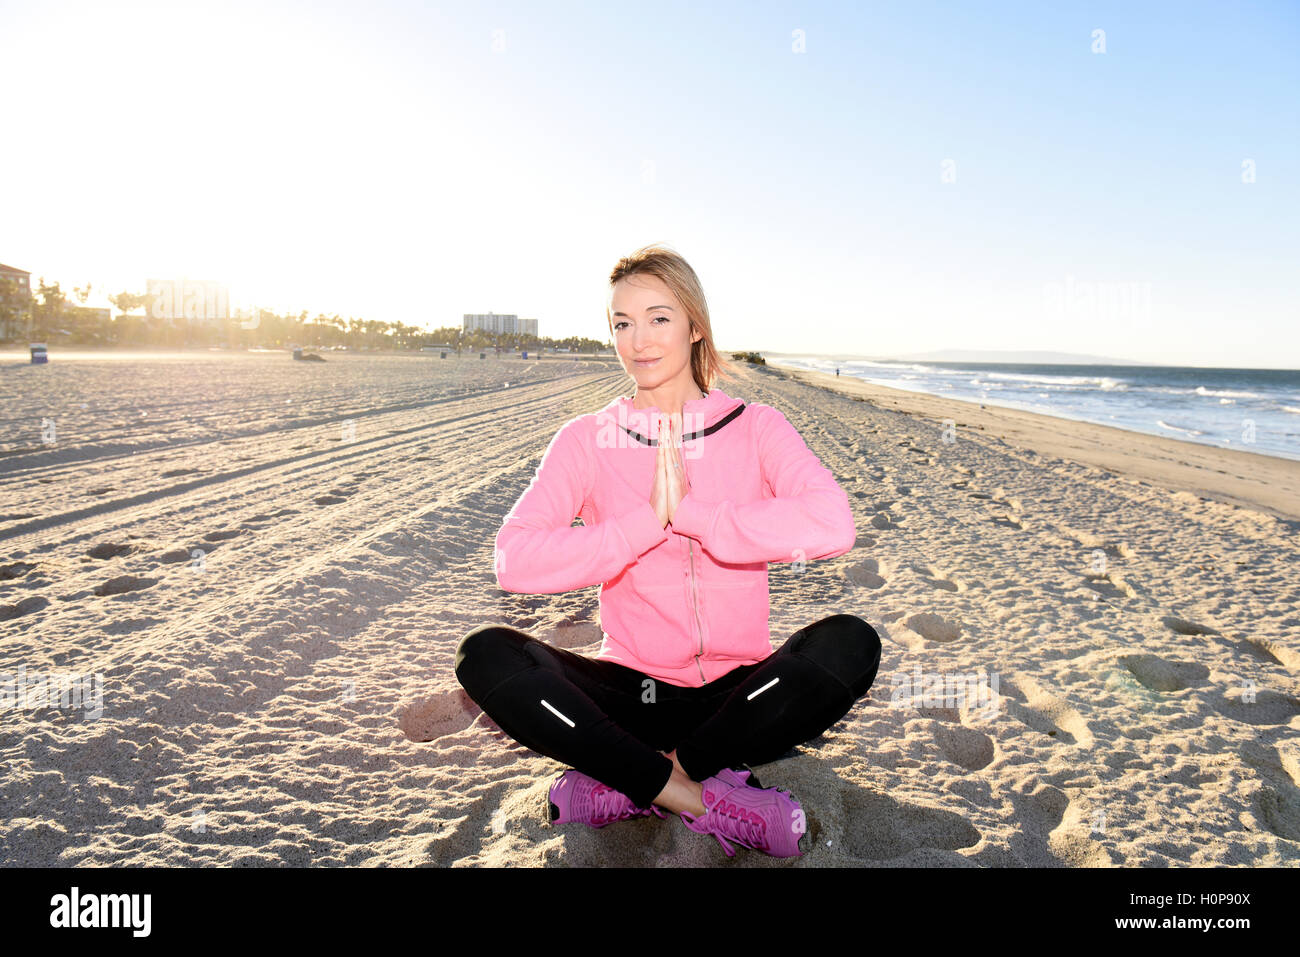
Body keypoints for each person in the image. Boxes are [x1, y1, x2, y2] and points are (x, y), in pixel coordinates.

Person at [454, 244, 882, 859]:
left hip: (738, 702)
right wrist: (641, 526)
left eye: (658, 318)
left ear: (694, 326)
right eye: (621, 323)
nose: (638, 340)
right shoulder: (586, 439)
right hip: (633, 696)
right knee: (486, 654)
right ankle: (693, 797)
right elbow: (513, 560)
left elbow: (832, 525)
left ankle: (638, 779)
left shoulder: (757, 426)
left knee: (851, 641)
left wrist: (694, 515)